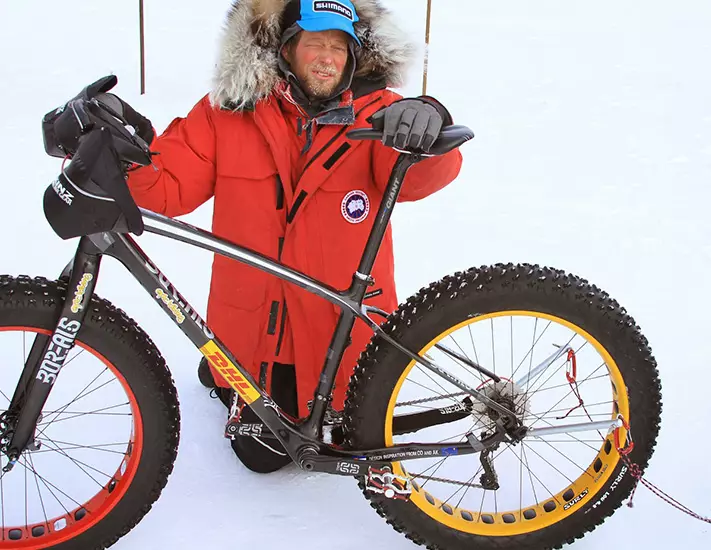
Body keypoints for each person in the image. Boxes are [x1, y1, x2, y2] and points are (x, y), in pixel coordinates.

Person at [114, 0, 464, 473]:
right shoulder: (230, 112)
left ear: (356, 57)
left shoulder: (380, 117)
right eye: (315, 43)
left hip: (341, 340)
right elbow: (167, 185)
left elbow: (422, 177)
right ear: (285, 49)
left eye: (340, 47)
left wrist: (427, 121)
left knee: (328, 434)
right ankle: (229, 375)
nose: (327, 57)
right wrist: (120, 153)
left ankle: (256, 385)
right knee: (261, 456)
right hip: (259, 333)